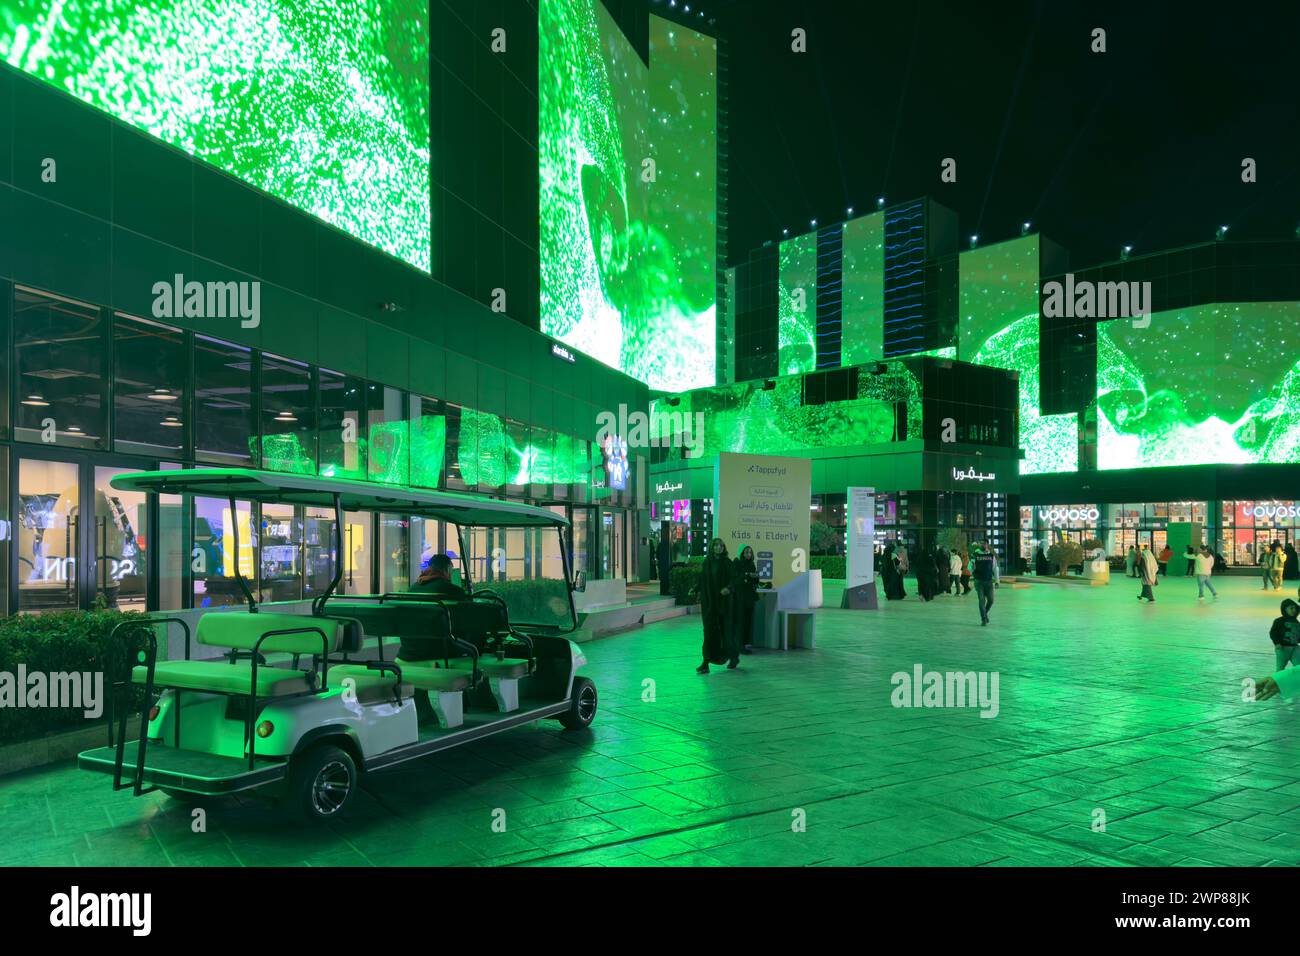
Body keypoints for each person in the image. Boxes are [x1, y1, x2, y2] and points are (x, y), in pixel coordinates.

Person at [697, 539, 735, 673]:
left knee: (725, 632)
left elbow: (734, 580)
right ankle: (706, 661)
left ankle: (733, 656)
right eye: (716, 545)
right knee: (708, 632)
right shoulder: (707, 562)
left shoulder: (727, 563)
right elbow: (702, 579)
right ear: (712, 547)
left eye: (721, 546)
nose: (719, 548)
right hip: (709, 603)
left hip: (723, 603)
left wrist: (729, 588)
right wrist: (695, 589)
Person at [731, 545, 759, 657]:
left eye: (750, 552)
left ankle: (745, 644)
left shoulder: (751, 563)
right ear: (741, 553)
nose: (748, 554)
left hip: (749, 596)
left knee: (747, 620)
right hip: (740, 596)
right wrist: (747, 575)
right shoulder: (736, 562)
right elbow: (734, 578)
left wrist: (755, 576)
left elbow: (755, 580)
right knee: (740, 621)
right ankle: (739, 645)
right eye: (746, 552)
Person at [1268, 599, 1300, 672]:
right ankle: (1277, 681)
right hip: (1282, 648)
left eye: (1295, 608)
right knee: (1280, 668)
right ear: (1285, 609)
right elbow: (1273, 633)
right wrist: (1277, 643)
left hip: (1295, 648)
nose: (1294, 610)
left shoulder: (1296, 622)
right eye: (1291, 608)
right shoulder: (1279, 621)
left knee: (1299, 666)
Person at [971, 542, 998, 625]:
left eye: (984, 544)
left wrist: (997, 581)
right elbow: (970, 567)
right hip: (979, 581)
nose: (982, 545)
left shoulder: (991, 555)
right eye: (981, 544)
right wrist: (973, 569)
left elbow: (995, 568)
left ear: (987, 545)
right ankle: (983, 619)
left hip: (989, 581)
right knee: (982, 600)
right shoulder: (975, 555)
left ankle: (984, 614)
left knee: (991, 600)